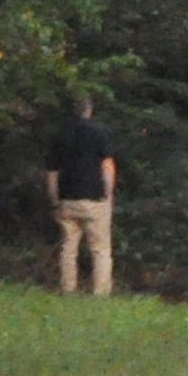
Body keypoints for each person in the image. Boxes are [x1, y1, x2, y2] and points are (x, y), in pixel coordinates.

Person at [45, 94, 118, 297]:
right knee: (100, 249)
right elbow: (107, 166)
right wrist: (109, 194)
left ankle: (68, 289)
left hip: (68, 199)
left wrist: (54, 201)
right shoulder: (101, 132)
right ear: (90, 110)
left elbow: (52, 173)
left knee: (68, 248)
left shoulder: (59, 135)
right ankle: (101, 293)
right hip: (95, 199)